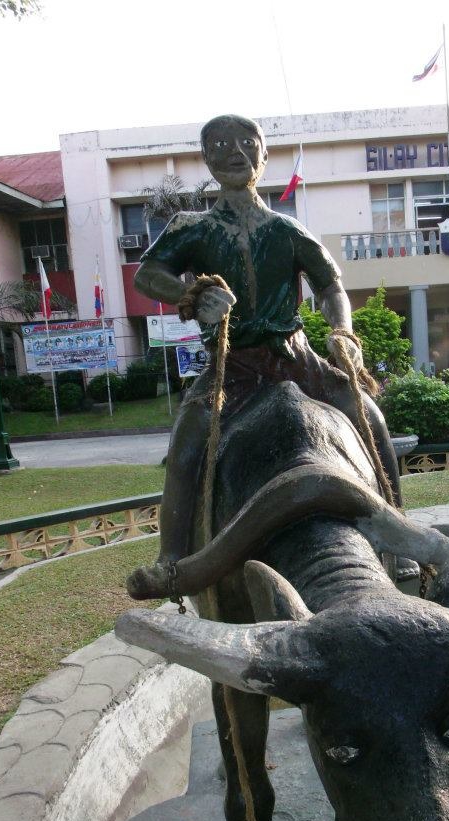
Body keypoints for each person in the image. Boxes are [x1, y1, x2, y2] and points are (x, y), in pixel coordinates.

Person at [132, 113, 404, 577]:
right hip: (231, 365)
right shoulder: (191, 228)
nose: (233, 152)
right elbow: (148, 274)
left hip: (295, 359)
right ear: (206, 158)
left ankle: (399, 535)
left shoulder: (287, 229)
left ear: (263, 153)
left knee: (370, 417)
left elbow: (330, 286)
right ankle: (172, 559)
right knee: (187, 439)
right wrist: (190, 295)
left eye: (245, 142)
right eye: (219, 144)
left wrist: (342, 332)